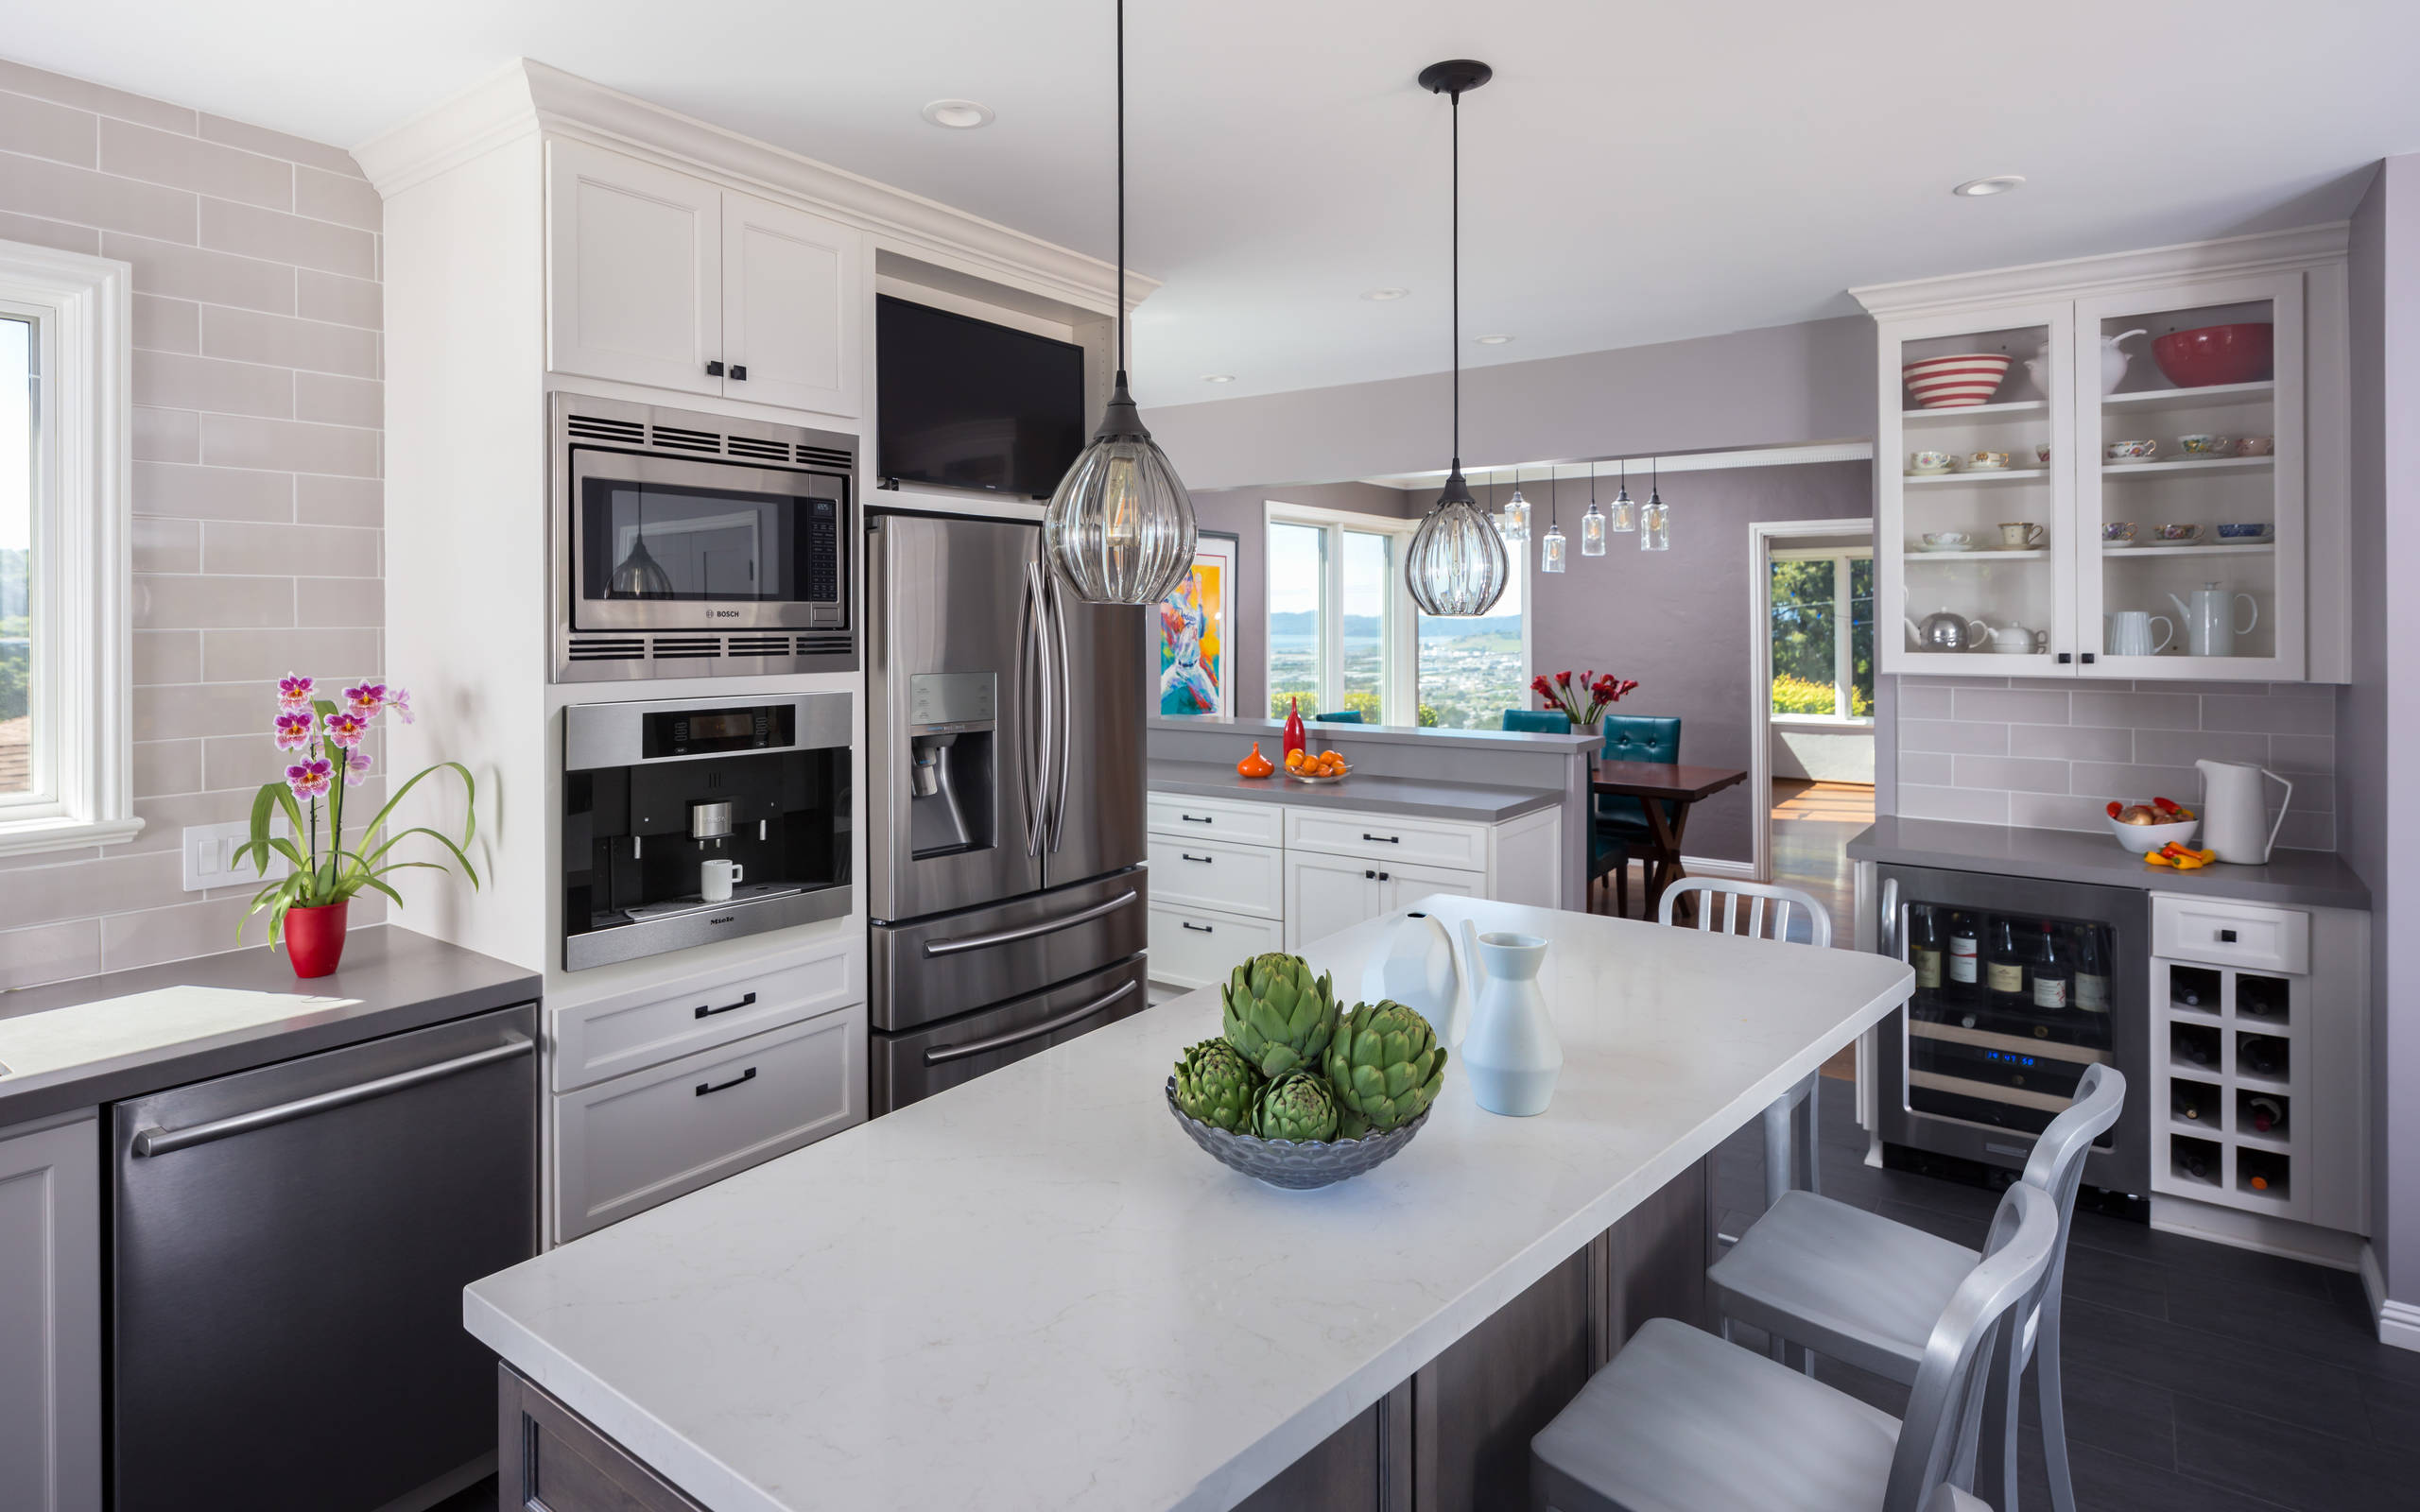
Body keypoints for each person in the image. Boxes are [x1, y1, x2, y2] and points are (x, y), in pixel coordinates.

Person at [1158, 574, 1219, 714]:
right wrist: (1169, 612)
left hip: (1194, 670)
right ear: (1180, 583)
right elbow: (1159, 604)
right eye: (1185, 579)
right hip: (1178, 669)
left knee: (1216, 706)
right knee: (1153, 698)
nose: (1188, 583)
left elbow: (1202, 633)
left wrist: (1200, 594)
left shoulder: (1194, 610)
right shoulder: (1175, 599)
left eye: (1190, 580)